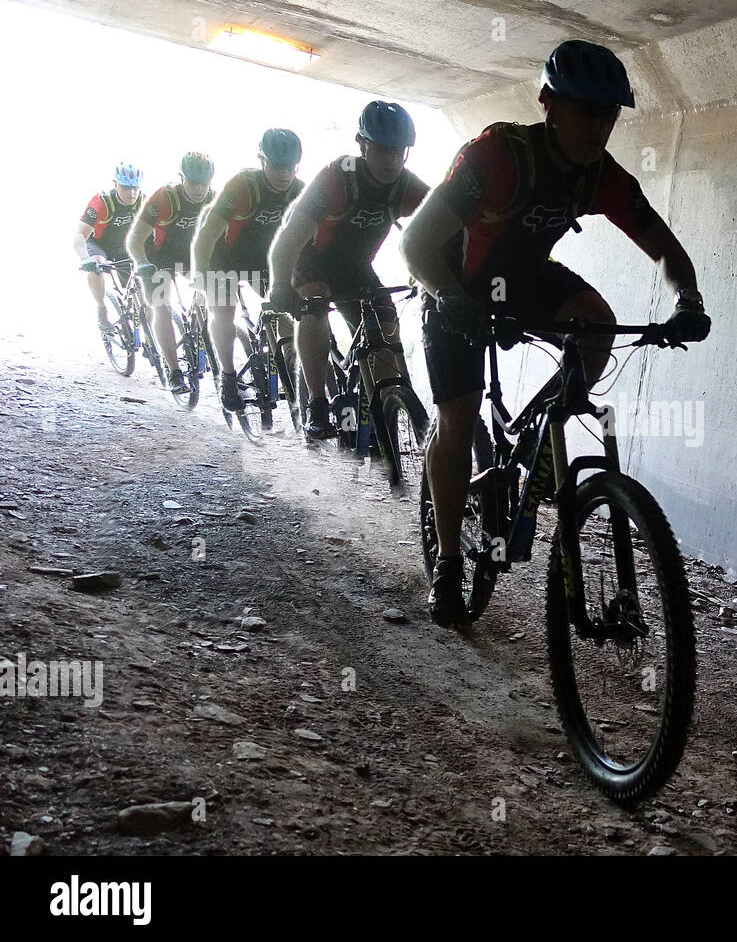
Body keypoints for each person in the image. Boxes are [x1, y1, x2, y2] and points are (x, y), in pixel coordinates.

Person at [400, 39, 710, 626]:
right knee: (459, 417)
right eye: (588, 112)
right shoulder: (497, 157)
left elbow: (664, 248)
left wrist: (686, 300)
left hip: (521, 277)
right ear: (549, 105)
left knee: (597, 323)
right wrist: (452, 300)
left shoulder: (600, 177)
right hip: (452, 280)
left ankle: (543, 429)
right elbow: (415, 244)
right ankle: (446, 559)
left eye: (610, 116)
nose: (600, 128)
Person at [266, 101, 428, 439]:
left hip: (355, 267)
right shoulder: (335, 179)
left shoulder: (405, 186)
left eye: (400, 151)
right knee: (315, 304)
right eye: (384, 150)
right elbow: (288, 240)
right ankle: (317, 404)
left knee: (386, 329)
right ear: (362, 144)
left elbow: (445, 226)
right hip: (311, 261)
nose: (393, 160)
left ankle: (387, 406)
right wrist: (280, 286)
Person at [192, 129, 304, 412]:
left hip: (264, 260)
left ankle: (288, 363)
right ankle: (228, 377)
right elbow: (206, 237)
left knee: (287, 313)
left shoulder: (299, 190)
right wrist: (202, 274)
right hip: (224, 257)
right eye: (277, 166)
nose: (284, 173)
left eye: (290, 166)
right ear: (262, 160)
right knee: (222, 311)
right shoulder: (243, 185)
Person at [126, 152, 215, 394]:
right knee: (161, 305)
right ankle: (174, 371)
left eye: (204, 183)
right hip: (157, 256)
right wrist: (142, 263)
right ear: (181, 178)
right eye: (193, 183)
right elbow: (134, 240)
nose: (199, 189)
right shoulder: (164, 199)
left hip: (189, 255)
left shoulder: (214, 199)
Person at [74, 162, 143, 333]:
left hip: (121, 246)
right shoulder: (101, 202)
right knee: (97, 264)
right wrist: (85, 259)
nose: (132, 193)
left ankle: (135, 310)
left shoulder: (142, 201)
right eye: (126, 187)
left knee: (139, 280)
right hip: (97, 244)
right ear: (115, 184)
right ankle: (101, 308)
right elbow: (80, 235)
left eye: (135, 188)